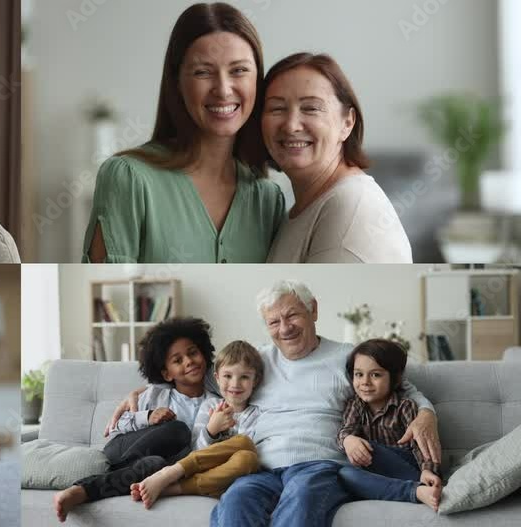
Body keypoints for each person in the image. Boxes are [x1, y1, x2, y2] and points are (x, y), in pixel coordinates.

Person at [106, 280, 442, 526]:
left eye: (292, 315)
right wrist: (143, 391)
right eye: (273, 321)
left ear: (313, 310)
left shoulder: (347, 357)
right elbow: (192, 375)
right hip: (259, 467)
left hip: (318, 465)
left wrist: (426, 413)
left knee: (302, 503)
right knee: (236, 502)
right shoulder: (255, 362)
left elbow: (402, 386)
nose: (284, 328)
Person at [82, 2, 285, 263]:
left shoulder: (268, 200)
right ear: (177, 82)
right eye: (203, 72)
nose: (223, 89)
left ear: (257, 79)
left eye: (239, 70)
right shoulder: (128, 179)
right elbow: (107, 288)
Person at [53, 317, 216, 522]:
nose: (189, 361)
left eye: (192, 353)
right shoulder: (155, 394)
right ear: (167, 374)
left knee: (156, 464)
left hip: (156, 465)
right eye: (178, 360)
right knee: (178, 430)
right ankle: (112, 471)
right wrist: (147, 417)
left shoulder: (216, 404)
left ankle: (82, 491)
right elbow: (115, 428)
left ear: (203, 353)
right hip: (120, 451)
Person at [262, 53, 412, 263]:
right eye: (277, 108)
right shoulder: (303, 209)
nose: (291, 125)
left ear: (347, 123)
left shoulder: (349, 206)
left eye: (311, 108)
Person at [131, 340, 263, 508]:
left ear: (255, 380)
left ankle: (173, 489)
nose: (235, 384)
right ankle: (170, 474)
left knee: (248, 457)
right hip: (202, 470)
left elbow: (246, 458)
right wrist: (211, 430)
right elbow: (195, 450)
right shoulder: (210, 406)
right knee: (244, 447)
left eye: (244, 377)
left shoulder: (256, 414)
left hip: (229, 478)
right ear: (217, 378)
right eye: (227, 376)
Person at [338, 339, 442, 510]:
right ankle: (415, 492)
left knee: (370, 449)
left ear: (395, 378)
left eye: (375, 375)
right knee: (345, 474)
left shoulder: (405, 406)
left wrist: (427, 470)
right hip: (377, 474)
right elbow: (346, 430)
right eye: (359, 374)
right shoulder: (355, 405)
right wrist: (348, 440)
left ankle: (420, 485)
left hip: (407, 468)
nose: (365, 382)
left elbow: (420, 446)